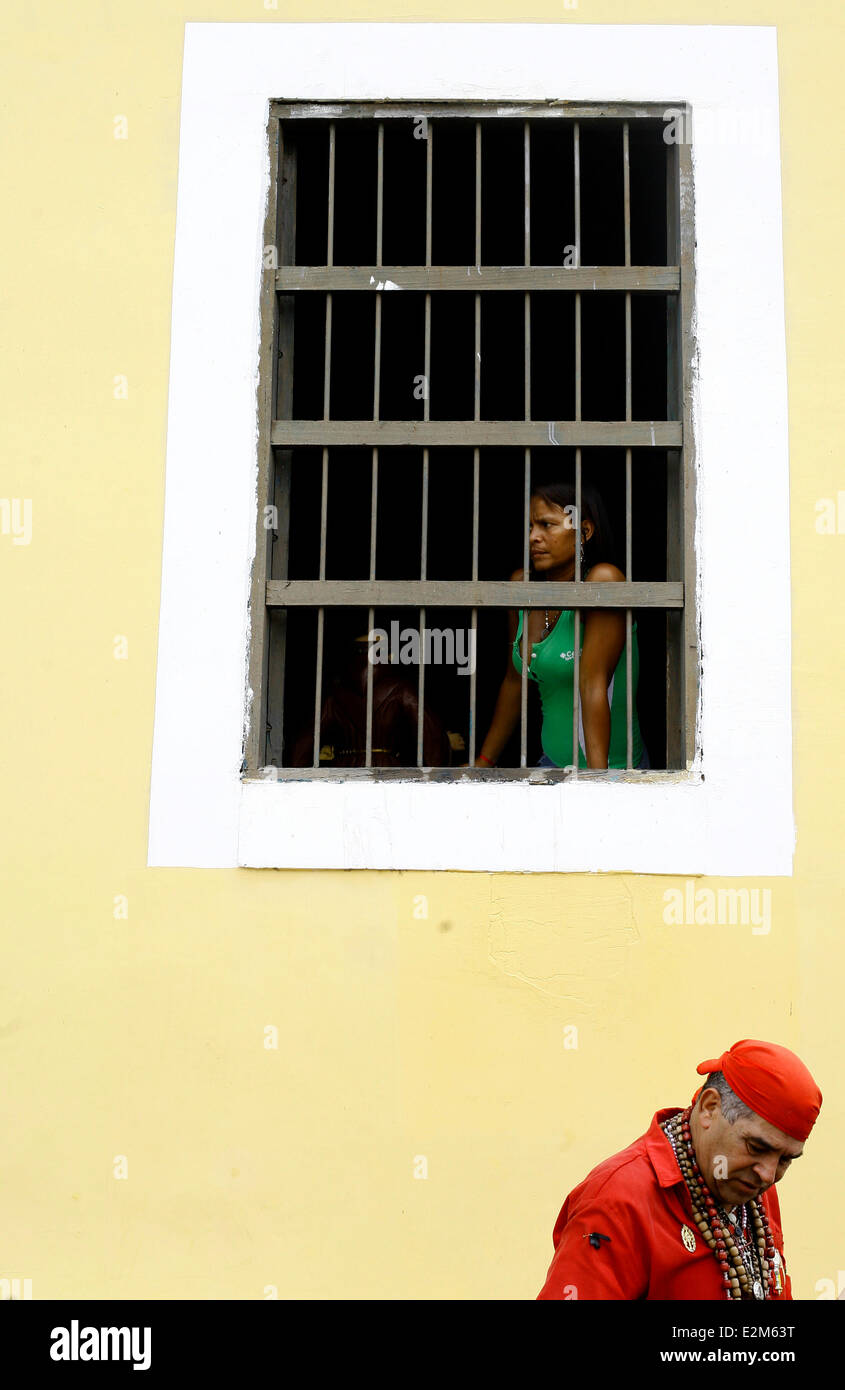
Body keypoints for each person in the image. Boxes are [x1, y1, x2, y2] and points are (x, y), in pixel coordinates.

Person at [537, 1039, 822, 1301]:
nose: (768, 1175)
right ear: (709, 1108)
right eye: (756, 1148)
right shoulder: (616, 1202)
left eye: (786, 1160)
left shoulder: (752, 1187)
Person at [476, 481, 648, 770]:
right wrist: (483, 762)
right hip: (551, 765)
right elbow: (514, 681)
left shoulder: (602, 582)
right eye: (530, 526)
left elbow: (592, 683)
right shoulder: (522, 587)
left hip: (614, 772)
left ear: (584, 532)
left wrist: (597, 783)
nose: (533, 537)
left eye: (546, 525)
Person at [290, 632, 451, 768]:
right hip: (387, 773)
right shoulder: (402, 690)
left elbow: (304, 744)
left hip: (344, 774)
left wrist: (298, 782)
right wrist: (436, 779)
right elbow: (432, 736)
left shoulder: (334, 694)